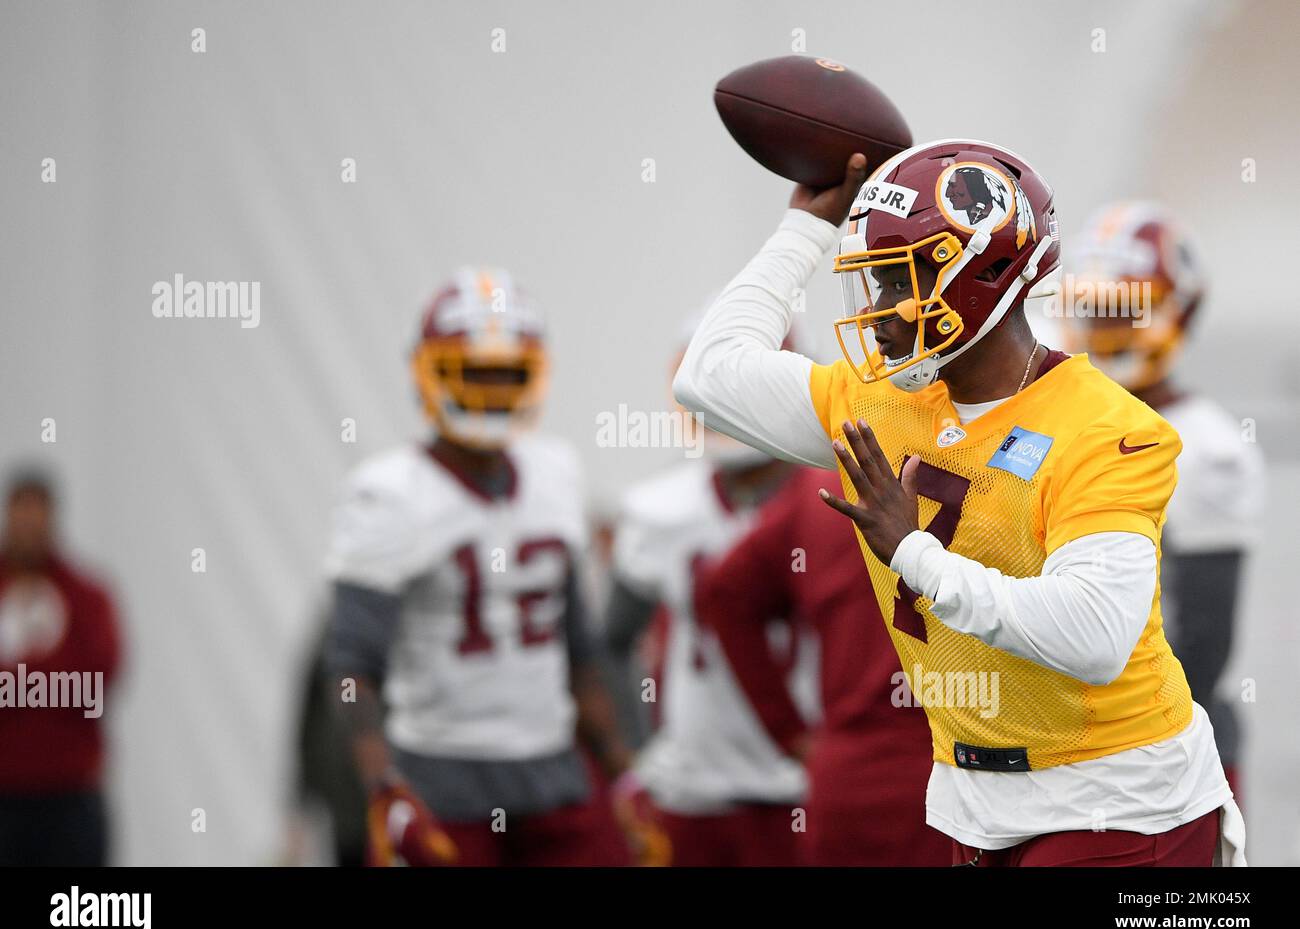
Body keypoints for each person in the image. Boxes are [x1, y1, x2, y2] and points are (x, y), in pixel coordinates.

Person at [673, 141, 1245, 866]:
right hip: (973, 799)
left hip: (1119, 796)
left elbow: (1094, 638)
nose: (875, 316)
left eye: (893, 285)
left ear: (978, 279)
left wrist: (914, 554)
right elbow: (708, 374)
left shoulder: (1107, 429)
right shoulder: (881, 400)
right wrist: (805, 228)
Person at [326, 268, 628, 866]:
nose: (491, 388)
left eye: (506, 372)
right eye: (474, 371)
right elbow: (349, 669)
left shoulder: (555, 472)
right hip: (440, 778)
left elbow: (581, 655)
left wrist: (624, 773)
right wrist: (383, 784)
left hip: (553, 773)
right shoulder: (388, 493)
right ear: (428, 370)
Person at [1062, 201, 1265, 795]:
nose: (1109, 327)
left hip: (1167, 748)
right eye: (1097, 310)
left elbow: (1203, 642)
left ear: (1182, 309)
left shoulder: (1211, 449)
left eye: (1129, 309)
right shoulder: (1058, 416)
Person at [694, 466, 949, 865]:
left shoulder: (824, 486)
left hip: (855, 774)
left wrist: (789, 732)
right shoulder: (1011, 463)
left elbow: (726, 591)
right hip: (971, 770)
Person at [605, 383, 815, 866]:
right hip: (694, 785)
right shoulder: (663, 510)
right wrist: (637, 755)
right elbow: (613, 639)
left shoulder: (831, 497)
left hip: (803, 782)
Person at [0, 470, 123, 866]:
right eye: (21, 516)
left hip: (71, 799)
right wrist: (50, 681)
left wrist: (18, 682)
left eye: (37, 517)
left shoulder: (87, 596)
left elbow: (96, 680)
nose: (29, 528)